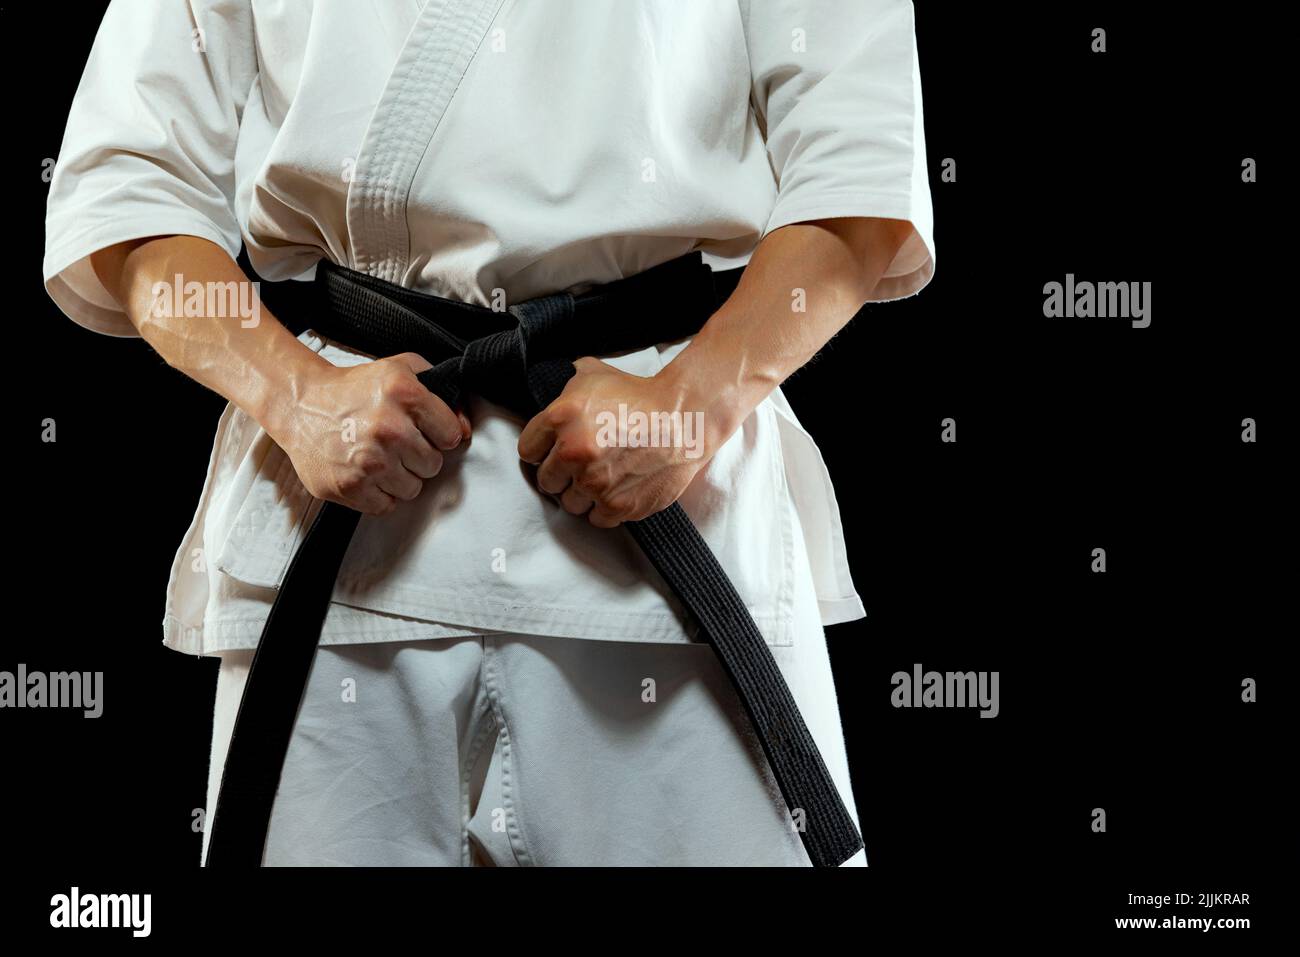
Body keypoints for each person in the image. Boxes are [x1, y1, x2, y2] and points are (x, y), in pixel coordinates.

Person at [43, 0, 934, 866]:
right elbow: (129, 185)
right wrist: (296, 395)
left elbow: (857, 174)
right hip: (344, 545)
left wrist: (691, 403)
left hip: (670, 536)